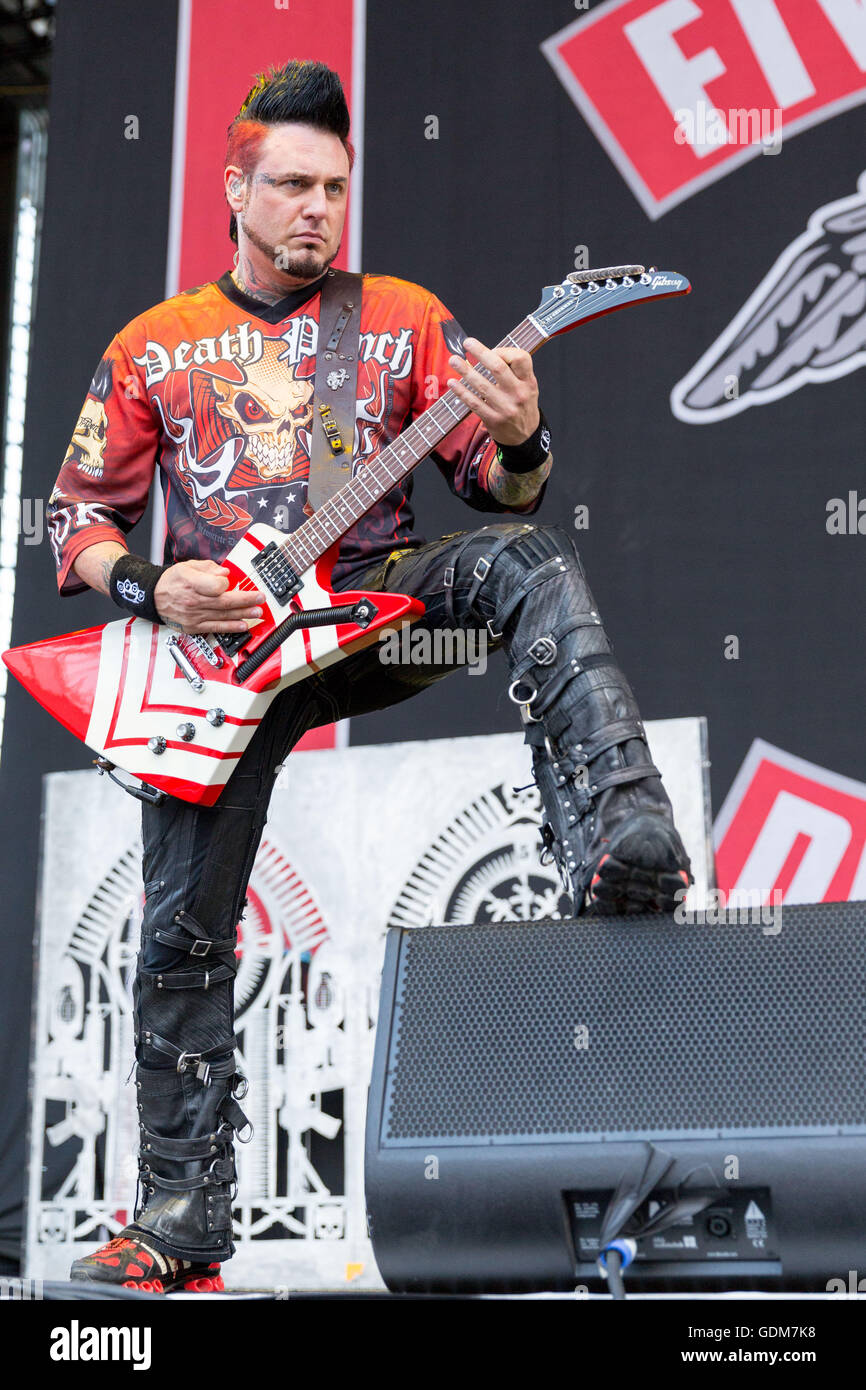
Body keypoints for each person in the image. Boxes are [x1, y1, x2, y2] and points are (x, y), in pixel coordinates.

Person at [47, 61, 692, 1292]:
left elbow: (498, 490)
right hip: (221, 662)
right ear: (234, 188)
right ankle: (180, 1218)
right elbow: (72, 522)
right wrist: (153, 585)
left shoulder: (399, 315)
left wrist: (519, 437)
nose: (316, 212)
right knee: (180, 935)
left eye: (334, 189)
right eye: (291, 186)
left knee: (525, 562)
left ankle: (620, 835)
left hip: (378, 615)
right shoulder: (153, 346)